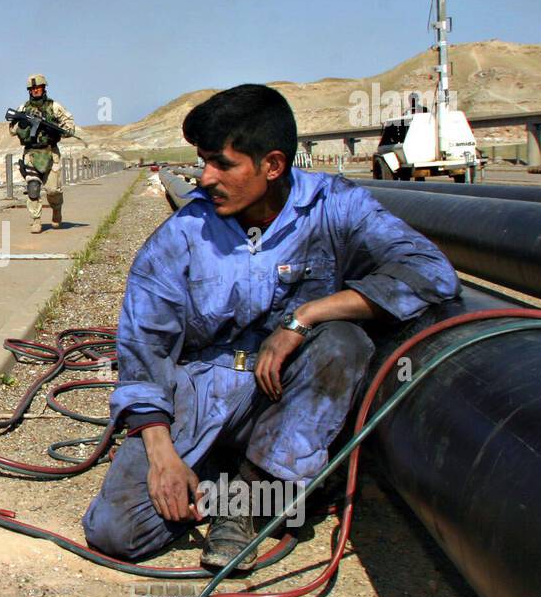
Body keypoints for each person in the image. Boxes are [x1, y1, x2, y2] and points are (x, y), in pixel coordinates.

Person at [82, 84, 460, 569]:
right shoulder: (181, 237)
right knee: (117, 531)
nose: (205, 178)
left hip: (287, 393)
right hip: (202, 391)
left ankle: (250, 492)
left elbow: (430, 273)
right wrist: (161, 454)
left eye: (222, 163)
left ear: (273, 165)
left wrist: (306, 317)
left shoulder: (336, 208)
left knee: (342, 341)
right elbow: (143, 350)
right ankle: (228, 472)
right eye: (202, 162)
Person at [8, 74, 82, 234]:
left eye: (38, 88)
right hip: (31, 154)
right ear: (29, 90)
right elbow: (11, 130)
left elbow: (69, 125)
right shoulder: (23, 108)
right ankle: (36, 220)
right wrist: (22, 124)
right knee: (33, 188)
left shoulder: (54, 107)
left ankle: (56, 210)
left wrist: (56, 128)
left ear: (44, 88)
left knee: (53, 191)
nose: (35, 90)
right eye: (32, 88)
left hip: (50, 153)